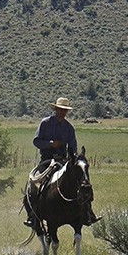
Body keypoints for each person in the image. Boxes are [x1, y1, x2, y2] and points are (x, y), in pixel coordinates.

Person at [23, 97, 101, 228]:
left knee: (82, 183)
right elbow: (36, 141)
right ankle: (33, 215)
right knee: (35, 183)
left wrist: (72, 157)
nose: (63, 112)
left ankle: (87, 213)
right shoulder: (45, 123)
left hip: (64, 160)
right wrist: (50, 144)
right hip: (47, 160)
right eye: (61, 109)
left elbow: (73, 147)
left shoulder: (69, 128)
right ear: (56, 109)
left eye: (65, 110)